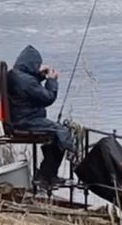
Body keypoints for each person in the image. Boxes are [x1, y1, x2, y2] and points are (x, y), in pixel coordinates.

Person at [5, 45, 73, 189]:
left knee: (57, 133)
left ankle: (46, 175)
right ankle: (49, 174)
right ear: (31, 63)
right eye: (37, 64)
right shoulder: (26, 81)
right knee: (62, 132)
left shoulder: (14, 75)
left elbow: (30, 87)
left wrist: (40, 75)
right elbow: (48, 98)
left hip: (18, 119)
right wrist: (52, 80)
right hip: (26, 121)